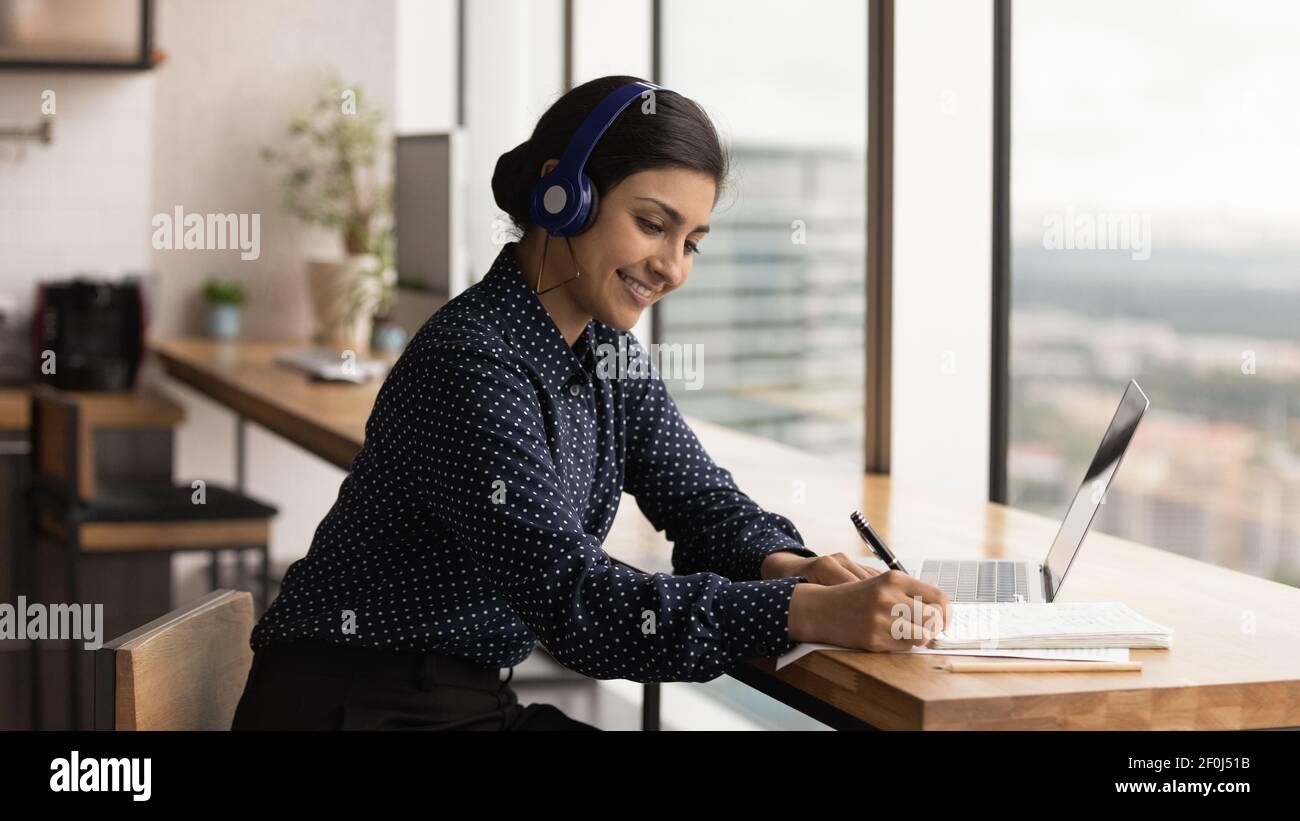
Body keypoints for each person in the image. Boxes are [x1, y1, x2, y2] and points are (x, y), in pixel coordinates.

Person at [231, 75, 951, 731]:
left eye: (692, 241)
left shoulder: (603, 352)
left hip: (462, 700)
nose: (672, 267)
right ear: (562, 194)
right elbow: (581, 604)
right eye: (652, 223)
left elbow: (700, 501)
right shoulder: (471, 362)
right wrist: (805, 611)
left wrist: (791, 565)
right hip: (351, 709)